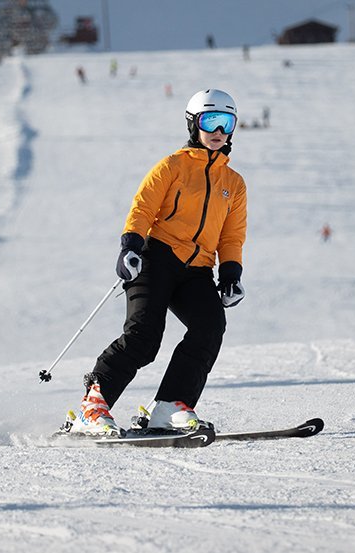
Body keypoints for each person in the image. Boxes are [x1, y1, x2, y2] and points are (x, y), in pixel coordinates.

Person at [70, 89, 248, 436]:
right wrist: (130, 246)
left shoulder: (234, 184)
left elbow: (231, 236)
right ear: (193, 124)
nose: (218, 130)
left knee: (210, 327)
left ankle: (170, 406)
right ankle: (93, 406)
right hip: (156, 259)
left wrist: (230, 273)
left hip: (197, 270)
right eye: (210, 121)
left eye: (226, 123)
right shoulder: (172, 166)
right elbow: (143, 208)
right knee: (144, 337)